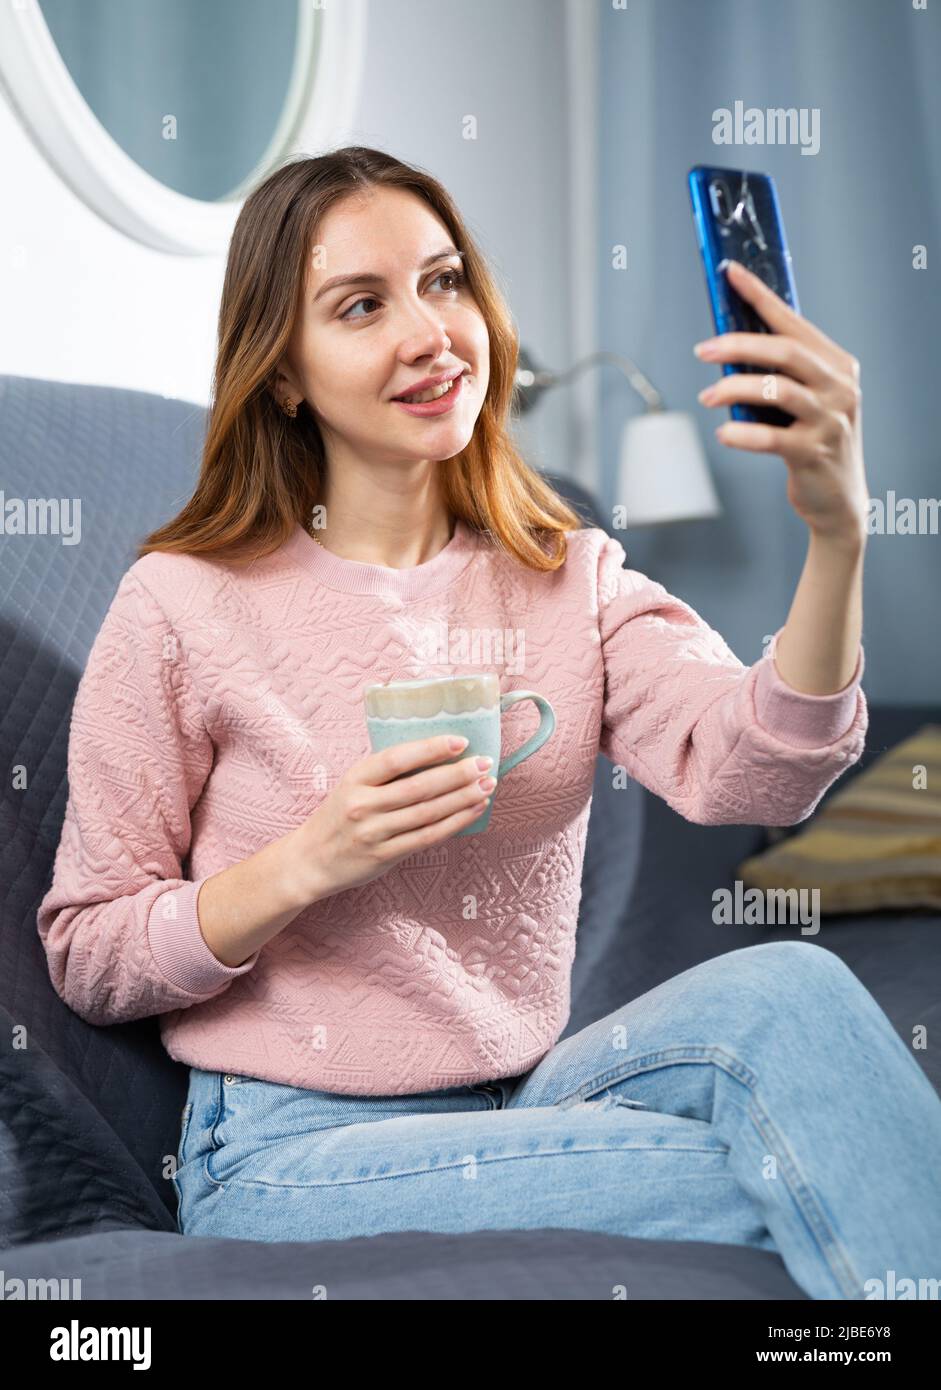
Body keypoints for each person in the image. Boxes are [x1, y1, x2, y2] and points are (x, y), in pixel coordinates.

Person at [36, 147, 941, 1300]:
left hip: (533, 1088)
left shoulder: (568, 574)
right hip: (288, 1148)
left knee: (794, 994)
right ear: (281, 374)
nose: (429, 332)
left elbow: (755, 776)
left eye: (445, 280)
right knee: (816, 1156)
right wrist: (310, 861)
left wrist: (836, 534)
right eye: (361, 305)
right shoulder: (181, 602)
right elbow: (89, 951)